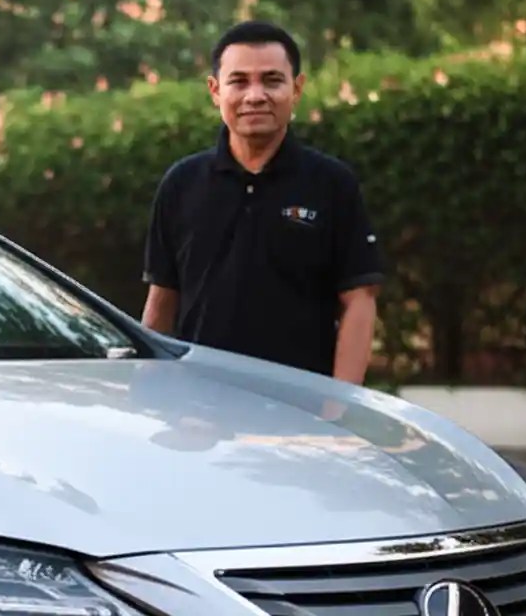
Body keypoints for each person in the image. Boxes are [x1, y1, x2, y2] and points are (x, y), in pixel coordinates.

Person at [140, 20, 384, 386]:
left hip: (301, 410)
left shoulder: (332, 184)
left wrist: (340, 407)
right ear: (215, 90)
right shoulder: (182, 183)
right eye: (239, 81)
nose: (255, 95)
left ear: (297, 89)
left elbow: (359, 302)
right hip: (197, 414)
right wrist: (148, 392)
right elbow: (162, 300)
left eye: (272, 80)